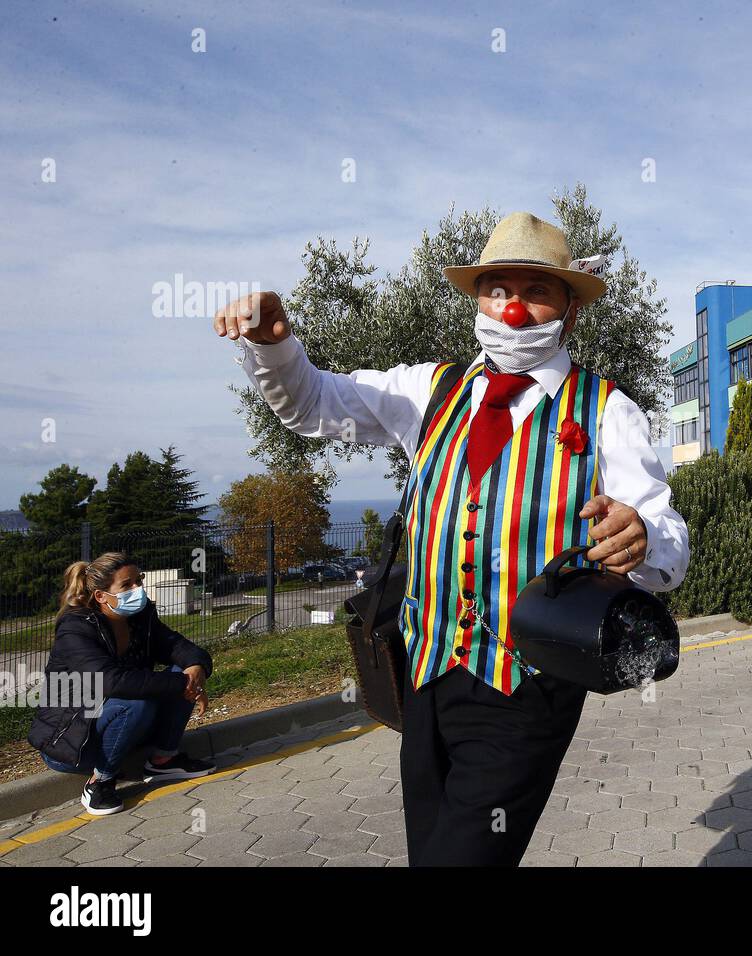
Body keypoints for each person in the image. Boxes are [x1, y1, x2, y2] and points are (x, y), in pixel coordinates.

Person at [220, 211, 689, 866]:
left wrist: (642, 538)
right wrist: (275, 346)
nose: (514, 308)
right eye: (497, 289)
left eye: (535, 290)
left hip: (528, 688)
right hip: (426, 674)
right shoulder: (429, 391)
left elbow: (669, 537)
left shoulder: (608, 411)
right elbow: (313, 406)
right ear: (477, 299)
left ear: (570, 311)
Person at [28, 553, 215, 816]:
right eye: (127, 585)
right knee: (139, 700)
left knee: (180, 672)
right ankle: (100, 782)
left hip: (117, 723)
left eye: (139, 581)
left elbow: (179, 647)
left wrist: (196, 670)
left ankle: (163, 759)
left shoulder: (140, 617)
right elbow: (110, 682)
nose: (138, 589)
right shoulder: (75, 628)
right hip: (73, 740)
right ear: (101, 596)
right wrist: (183, 684)